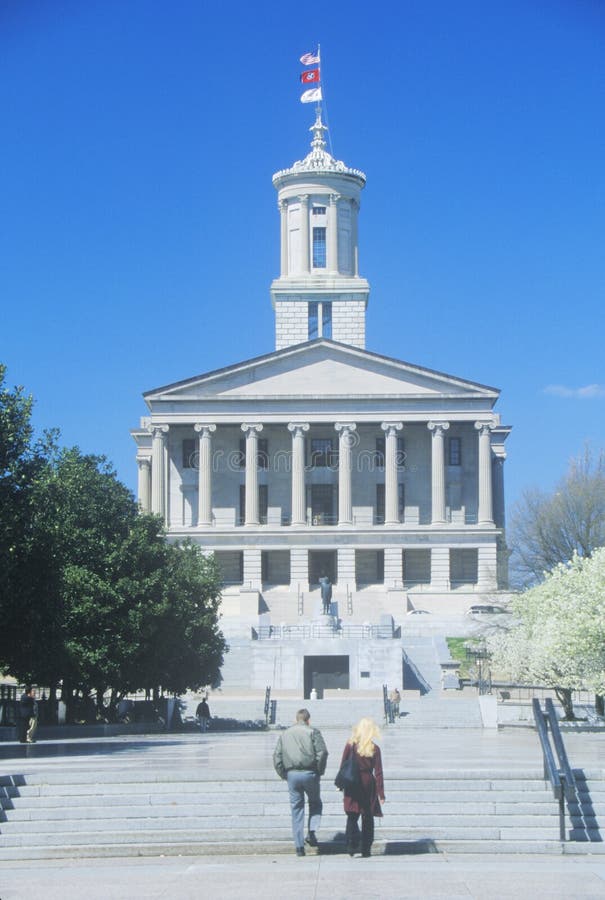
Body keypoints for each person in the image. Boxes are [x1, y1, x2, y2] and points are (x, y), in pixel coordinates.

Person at [273, 708, 328, 856]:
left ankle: (299, 847)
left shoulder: (285, 734)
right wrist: (319, 771)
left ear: (296, 719)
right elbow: (322, 752)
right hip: (310, 773)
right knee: (315, 802)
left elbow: (277, 757)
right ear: (308, 720)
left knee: (296, 809)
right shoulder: (313, 732)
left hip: (292, 774)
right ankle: (311, 832)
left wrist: (284, 774)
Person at [338, 717, 385, 857]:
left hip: (352, 781)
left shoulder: (350, 745)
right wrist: (381, 793)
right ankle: (366, 848)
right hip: (368, 783)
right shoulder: (375, 748)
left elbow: (343, 765)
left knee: (352, 815)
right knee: (368, 817)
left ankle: (351, 845)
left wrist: (341, 783)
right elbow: (378, 772)